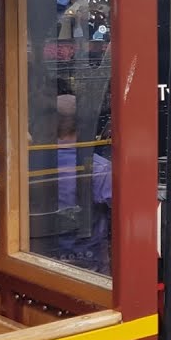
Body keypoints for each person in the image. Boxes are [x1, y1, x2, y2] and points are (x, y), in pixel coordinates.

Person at [53, 94, 112, 274]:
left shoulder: (26, 162)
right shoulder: (99, 168)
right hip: (88, 262)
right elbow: (124, 213)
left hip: (39, 256)